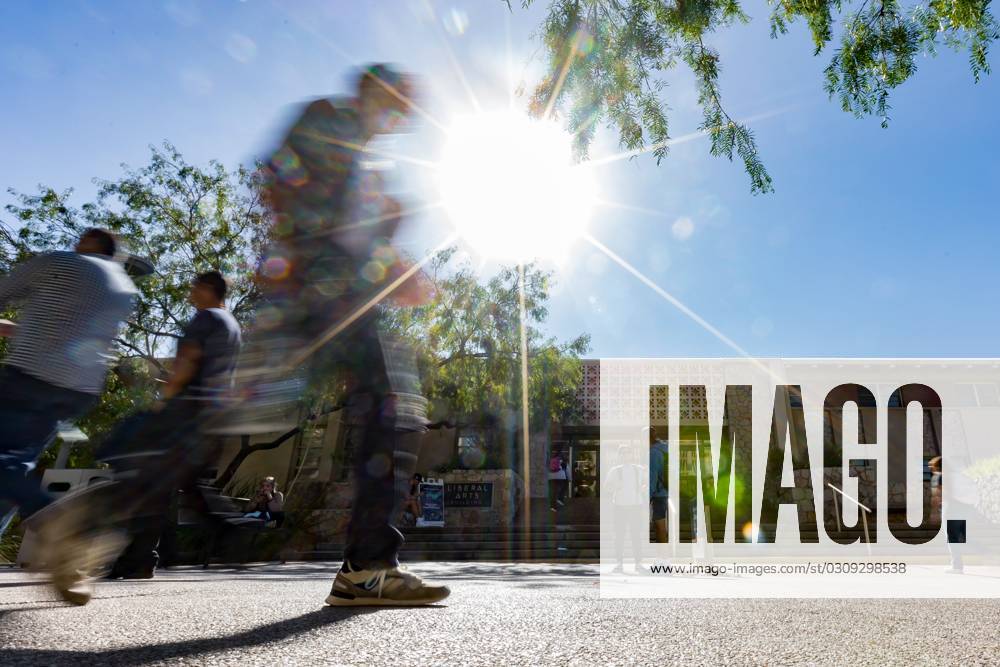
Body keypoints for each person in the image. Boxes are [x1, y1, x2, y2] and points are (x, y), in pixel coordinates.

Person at [241, 63, 447, 606]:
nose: (404, 119)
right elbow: (282, 186)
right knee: (392, 410)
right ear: (376, 94)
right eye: (401, 104)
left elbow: (355, 230)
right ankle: (368, 567)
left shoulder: (364, 159)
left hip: (340, 301)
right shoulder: (327, 120)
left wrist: (396, 269)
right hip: (324, 296)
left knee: (392, 410)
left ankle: (368, 565)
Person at [37, 271, 242, 594]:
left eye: (194, 287)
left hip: (184, 411)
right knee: (169, 487)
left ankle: (75, 530)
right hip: (210, 415)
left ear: (207, 289)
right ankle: (144, 557)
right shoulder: (231, 325)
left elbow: (187, 360)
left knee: (135, 474)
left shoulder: (206, 319)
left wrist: (165, 400)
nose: (191, 293)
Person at [0, 229, 137, 520]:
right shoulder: (125, 288)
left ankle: (56, 517)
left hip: (30, 376)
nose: (75, 245)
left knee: (6, 463)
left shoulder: (59, 262)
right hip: (79, 390)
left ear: (90, 243)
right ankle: (51, 524)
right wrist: (21, 330)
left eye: (80, 240)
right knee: (16, 463)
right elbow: (76, 328)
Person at [605, 444, 647, 574]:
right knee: (619, 536)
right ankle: (619, 563)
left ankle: (638, 563)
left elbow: (647, 483)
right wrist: (615, 487)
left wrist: (643, 488)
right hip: (619, 506)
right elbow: (607, 488)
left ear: (631, 454)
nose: (625, 455)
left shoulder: (639, 469)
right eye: (622, 453)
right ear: (619, 455)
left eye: (628, 452)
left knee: (636, 536)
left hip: (636, 506)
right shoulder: (615, 470)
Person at [649, 426, 669, 543]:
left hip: (659, 494)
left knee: (659, 526)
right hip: (669, 491)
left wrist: (647, 497)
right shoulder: (666, 448)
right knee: (661, 526)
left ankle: (663, 558)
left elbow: (652, 478)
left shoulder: (653, 452)